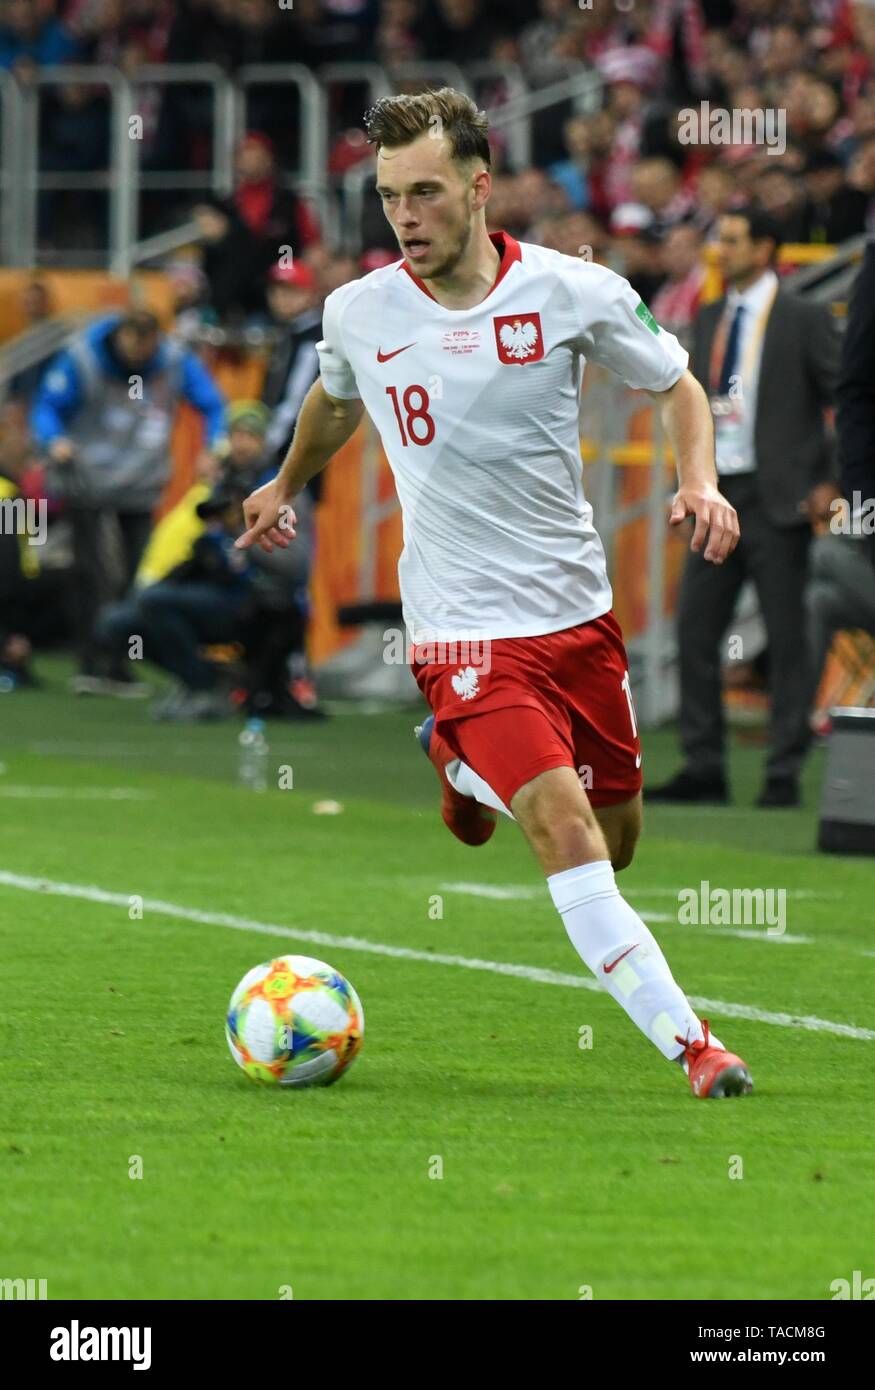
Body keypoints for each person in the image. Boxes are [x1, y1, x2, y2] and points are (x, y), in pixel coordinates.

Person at [237, 87, 752, 1101]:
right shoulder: (359, 308)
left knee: (614, 840)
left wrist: (698, 480)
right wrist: (283, 480)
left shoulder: (572, 291)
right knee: (561, 828)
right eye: (389, 198)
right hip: (460, 630)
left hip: (574, 617)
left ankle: (457, 767)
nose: (406, 217)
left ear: (478, 190)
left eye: (425, 192)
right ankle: (695, 1046)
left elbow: (677, 385)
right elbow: (334, 398)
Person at [647, 207, 840, 809]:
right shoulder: (707, 317)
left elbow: (850, 397)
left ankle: (782, 771)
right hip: (717, 492)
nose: (719, 252)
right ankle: (705, 765)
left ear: (765, 247)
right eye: (717, 240)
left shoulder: (803, 318)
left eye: (731, 241)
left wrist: (828, 479)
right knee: (696, 631)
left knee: (788, 641)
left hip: (778, 496)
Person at [30, 307, 227, 693]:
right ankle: (91, 661)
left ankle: (121, 662)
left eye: (146, 344)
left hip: (141, 484)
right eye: (132, 343)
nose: (138, 353)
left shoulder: (172, 361)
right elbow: (47, 406)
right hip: (86, 482)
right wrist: (55, 440)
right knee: (93, 573)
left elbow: (213, 404)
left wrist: (212, 447)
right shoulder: (82, 358)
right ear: (120, 336)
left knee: (135, 575)